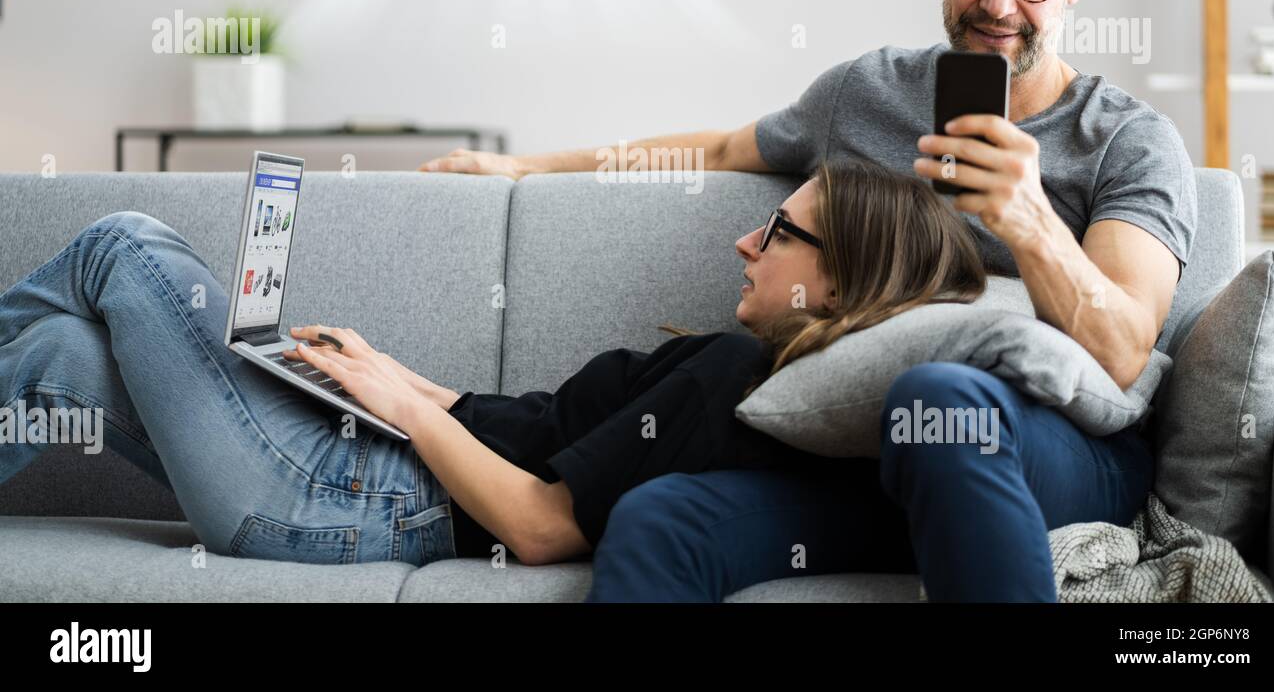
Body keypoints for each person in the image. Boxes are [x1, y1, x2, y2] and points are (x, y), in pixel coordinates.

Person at [416, 0, 1196, 600]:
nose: (998, 3)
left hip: (1050, 456)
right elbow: (723, 147)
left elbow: (1124, 351)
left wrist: (1029, 223)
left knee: (938, 404)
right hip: (860, 461)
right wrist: (524, 167)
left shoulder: (1127, 142)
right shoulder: (867, 93)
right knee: (662, 517)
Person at [0, 159, 978, 572]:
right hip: (358, 466)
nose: (743, 240)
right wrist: (399, 377)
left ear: (843, 281)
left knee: (126, 241)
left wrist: (404, 411)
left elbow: (541, 524)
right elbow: (538, 425)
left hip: (349, 498)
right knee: (60, 355)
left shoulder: (731, 373)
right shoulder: (735, 367)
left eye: (777, 228)